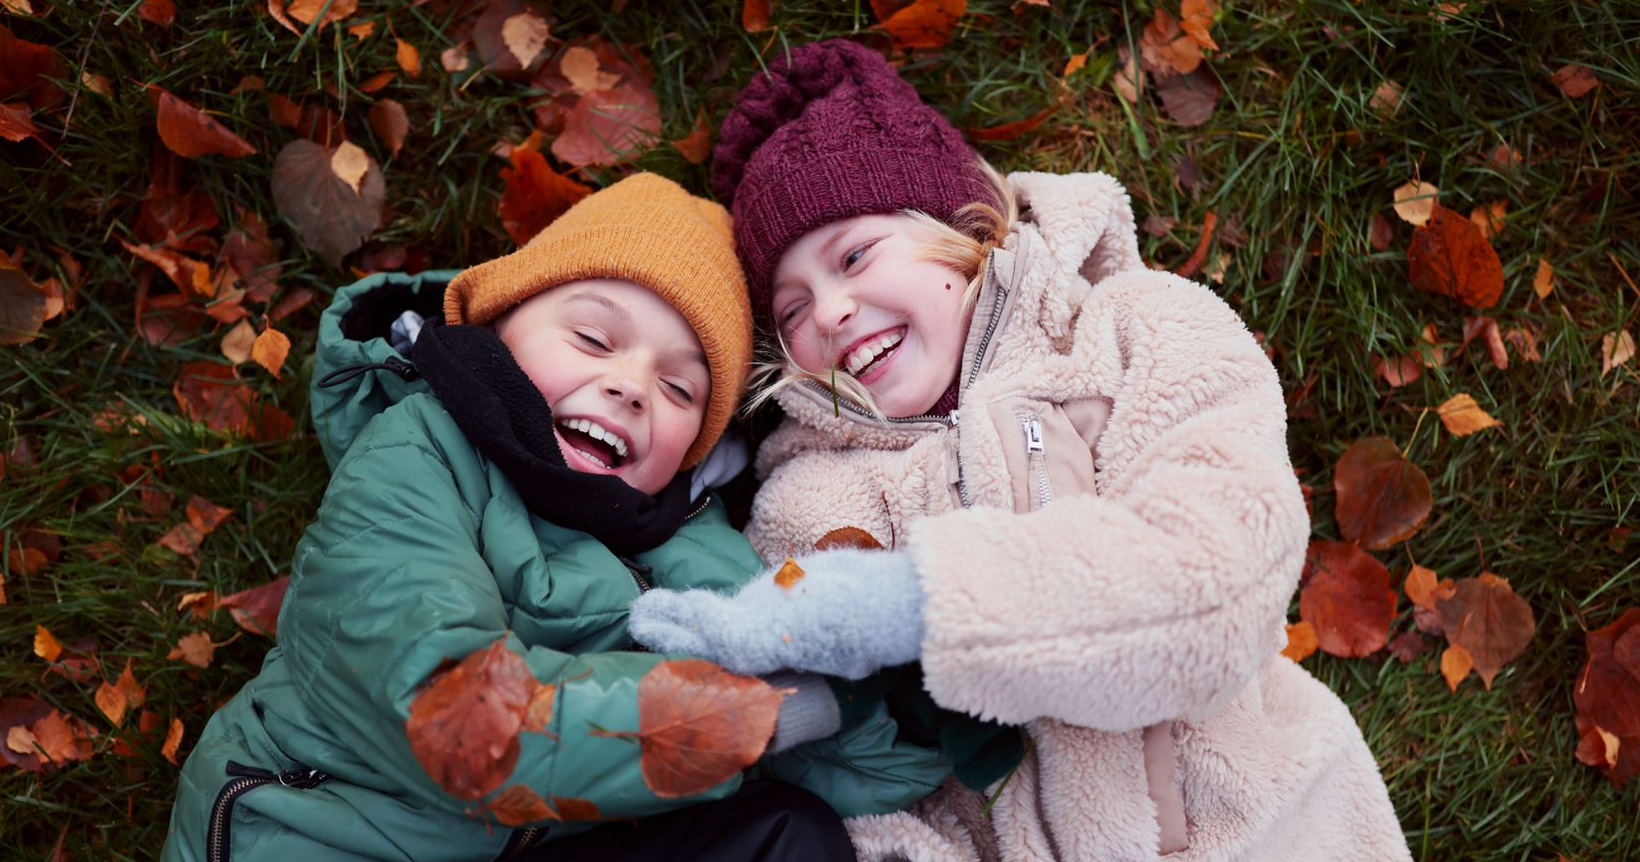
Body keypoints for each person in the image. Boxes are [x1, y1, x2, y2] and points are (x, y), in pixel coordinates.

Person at [629, 40, 1413, 862]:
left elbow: (1218, 579)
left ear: (958, 222)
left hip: (1269, 826)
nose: (828, 312)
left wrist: (920, 603)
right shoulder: (813, 501)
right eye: (790, 311)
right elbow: (864, 786)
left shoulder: (1141, 331)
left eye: (854, 257)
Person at [160, 174, 933, 862]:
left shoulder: (685, 547)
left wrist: (880, 651)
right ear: (499, 325)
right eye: (594, 338)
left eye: (679, 391)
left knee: (789, 835)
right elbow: (457, 721)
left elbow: (869, 772)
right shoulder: (418, 456)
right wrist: (755, 714)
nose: (631, 386)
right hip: (328, 828)